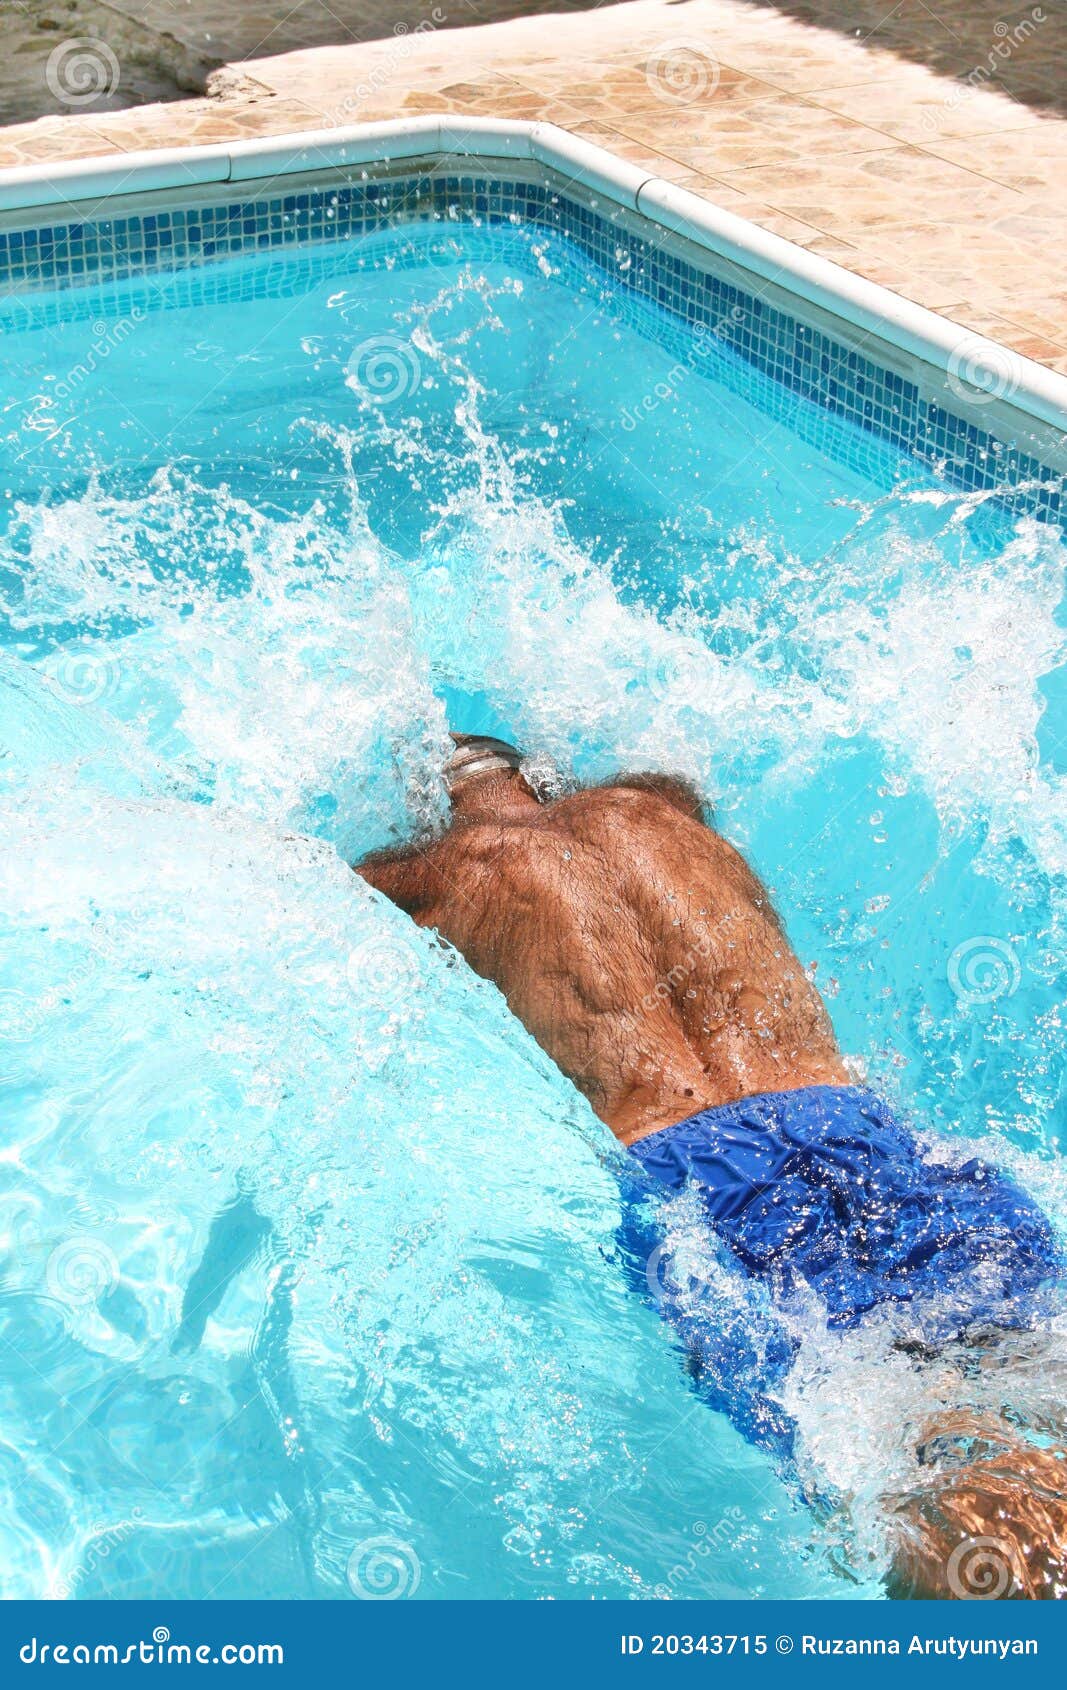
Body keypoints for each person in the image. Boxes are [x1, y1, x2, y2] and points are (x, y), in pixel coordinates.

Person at [357, 733, 1066, 1599]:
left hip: (741, 1161)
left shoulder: (546, 845)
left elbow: (339, 908)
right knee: (953, 1441)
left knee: (911, 1430)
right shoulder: (640, 816)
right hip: (819, 1145)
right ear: (545, 781)